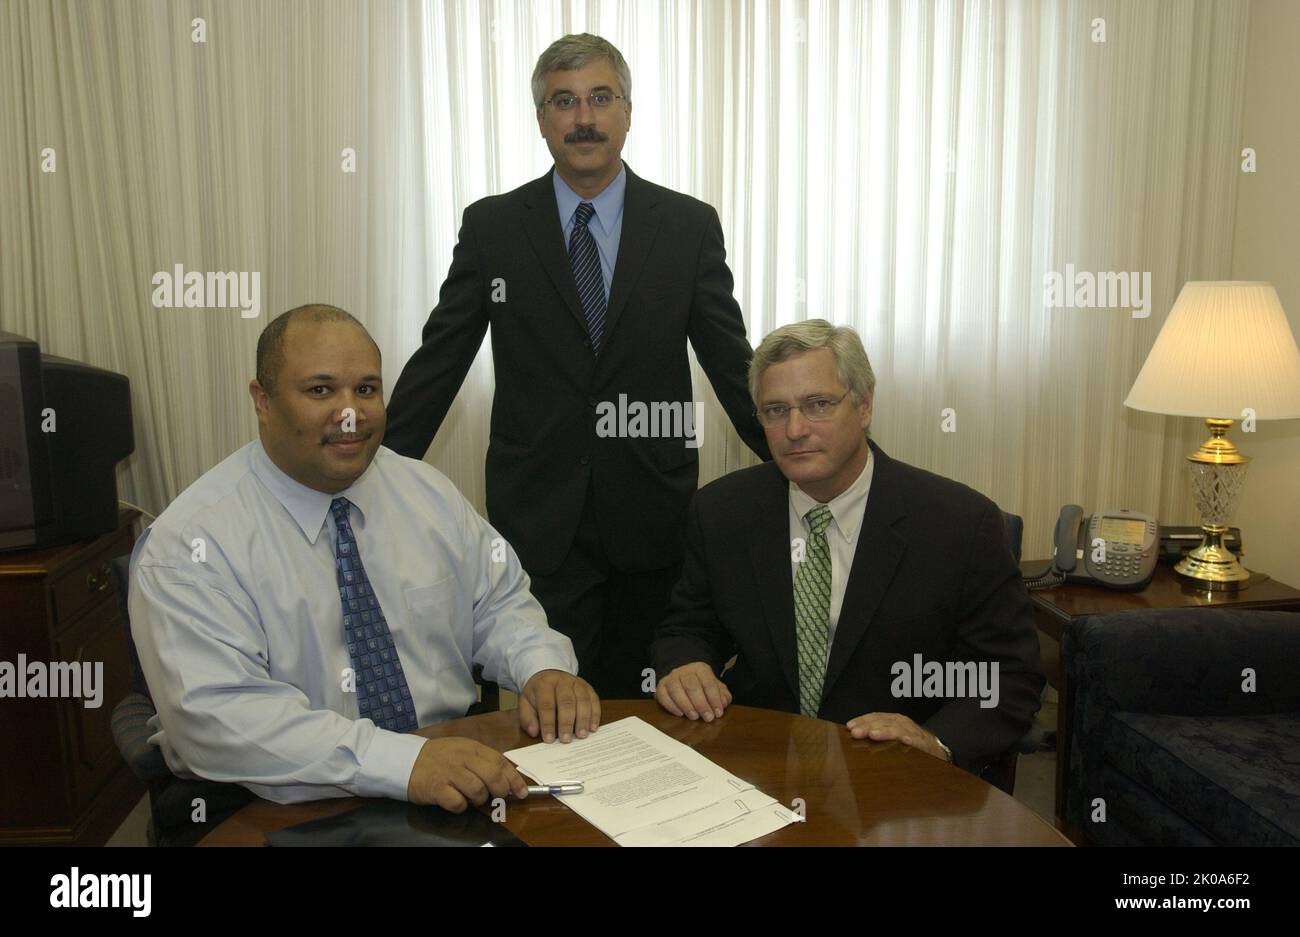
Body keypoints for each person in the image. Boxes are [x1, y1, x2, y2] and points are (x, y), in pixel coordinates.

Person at [383, 33, 769, 700]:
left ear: (626, 111)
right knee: (552, 715)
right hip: (539, 523)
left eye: (599, 98)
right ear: (541, 119)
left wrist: (815, 461)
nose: (583, 118)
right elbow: (440, 361)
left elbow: (733, 366)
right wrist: (372, 472)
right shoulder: (494, 228)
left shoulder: (686, 227)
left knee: (652, 716)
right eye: (563, 101)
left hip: (653, 516)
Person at [129, 304, 599, 816]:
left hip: (451, 776)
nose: (350, 413)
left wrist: (542, 669)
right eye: (320, 390)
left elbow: (499, 602)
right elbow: (219, 719)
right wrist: (402, 763)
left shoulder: (425, 492)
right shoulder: (189, 544)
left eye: (367, 390)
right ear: (262, 400)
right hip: (276, 799)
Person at [650, 320, 1043, 774]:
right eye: (775, 410)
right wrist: (686, 665)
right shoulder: (721, 511)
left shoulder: (960, 523)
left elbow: (1009, 676)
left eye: (817, 404)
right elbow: (686, 629)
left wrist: (937, 741)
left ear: (864, 405)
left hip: (893, 773)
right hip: (760, 763)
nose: (795, 429)